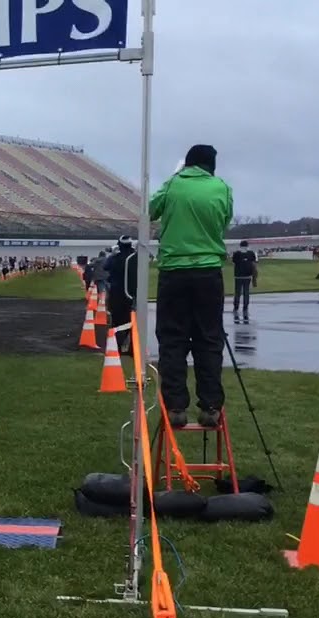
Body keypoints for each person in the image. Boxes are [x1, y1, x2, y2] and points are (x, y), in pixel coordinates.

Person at [150, 144, 233, 428]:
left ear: (187, 163)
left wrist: (172, 181)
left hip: (174, 271)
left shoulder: (173, 184)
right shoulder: (221, 187)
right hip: (209, 271)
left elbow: (149, 209)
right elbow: (224, 222)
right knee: (209, 338)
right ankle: (210, 405)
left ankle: (175, 406)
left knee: (172, 338)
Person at [104, 235, 140, 353]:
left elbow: (106, 267)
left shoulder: (116, 258)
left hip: (117, 293)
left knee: (117, 320)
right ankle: (131, 347)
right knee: (132, 319)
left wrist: (111, 255)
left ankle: (117, 347)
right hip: (132, 293)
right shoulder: (135, 257)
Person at [230, 240, 259, 321]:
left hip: (238, 275)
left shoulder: (237, 253)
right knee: (246, 292)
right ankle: (245, 308)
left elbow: (234, 262)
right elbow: (254, 263)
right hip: (247, 275)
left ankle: (236, 307)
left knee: (237, 292)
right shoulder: (251, 253)